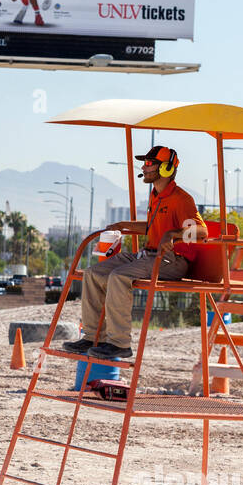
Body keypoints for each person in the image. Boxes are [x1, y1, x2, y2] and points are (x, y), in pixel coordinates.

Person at [64, 146, 207, 361]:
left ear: (167, 168)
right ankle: (93, 337)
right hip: (149, 255)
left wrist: (174, 235)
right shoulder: (156, 195)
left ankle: (119, 344)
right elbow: (151, 227)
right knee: (93, 273)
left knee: (119, 277)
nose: (144, 167)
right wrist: (123, 225)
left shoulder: (181, 199)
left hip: (172, 261)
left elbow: (201, 232)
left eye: (150, 164)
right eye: (145, 163)